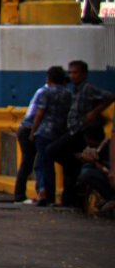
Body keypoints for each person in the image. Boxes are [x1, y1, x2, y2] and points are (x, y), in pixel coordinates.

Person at [46, 60, 114, 207]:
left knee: (51, 150)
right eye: (70, 72)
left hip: (80, 131)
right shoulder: (74, 90)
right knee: (69, 168)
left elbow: (110, 96)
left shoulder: (88, 88)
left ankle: (76, 163)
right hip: (72, 130)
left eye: (75, 72)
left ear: (84, 74)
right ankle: (68, 201)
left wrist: (95, 112)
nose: (72, 76)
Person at [30, 65, 71, 206]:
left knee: (42, 164)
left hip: (44, 133)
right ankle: (54, 196)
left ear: (49, 78)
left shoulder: (46, 93)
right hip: (60, 133)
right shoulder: (68, 94)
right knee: (54, 164)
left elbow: (40, 114)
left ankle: (43, 192)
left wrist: (32, 131)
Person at [13, 71, 55, 203]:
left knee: (29, 163)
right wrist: (33, 132)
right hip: (30, 130)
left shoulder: (42, 91)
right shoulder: (47, 93)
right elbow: (39, 114)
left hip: (27, 128)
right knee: (31, 163)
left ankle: (24, 194)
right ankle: (22, 195)